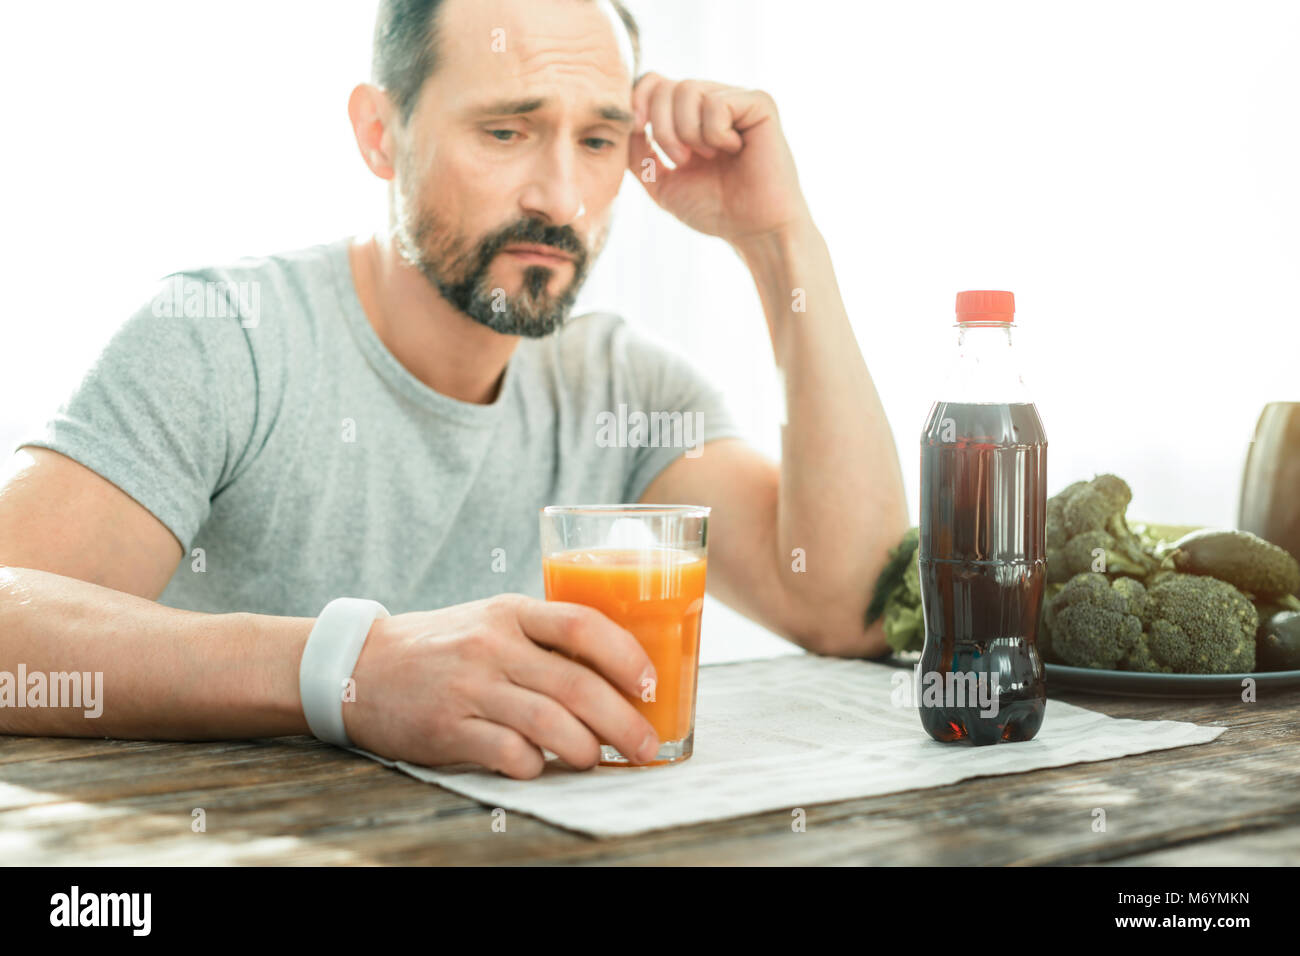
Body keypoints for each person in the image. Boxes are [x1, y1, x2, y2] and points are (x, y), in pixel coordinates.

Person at [0, 0, 907, 778]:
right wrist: (352, 669)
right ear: (379, 134)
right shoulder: (224, 336)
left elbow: (849, 603)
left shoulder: (618, 384)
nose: (560, 196)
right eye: (506, 131)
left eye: (598, 141)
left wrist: (779, 236)